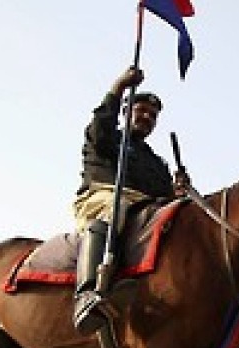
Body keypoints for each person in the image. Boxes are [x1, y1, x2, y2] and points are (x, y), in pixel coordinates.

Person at [71, 66, 189, 334]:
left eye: (153, 115)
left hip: (144, 208)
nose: (147, 117)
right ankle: (87, 293)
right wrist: (119, 87)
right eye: (141, 110)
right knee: (117, 208)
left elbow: (164, 199)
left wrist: (178, 194)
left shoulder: (157, 163)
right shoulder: (107, 137)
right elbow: (101, 125)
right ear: (125, 111)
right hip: (103, 196)